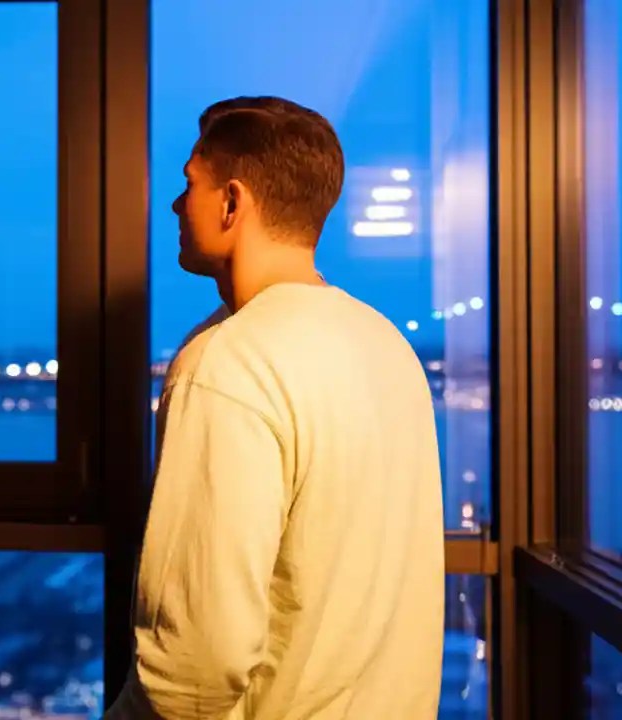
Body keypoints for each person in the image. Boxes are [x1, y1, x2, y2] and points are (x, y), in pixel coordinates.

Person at [104, 96, 444, 719]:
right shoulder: (387, 345)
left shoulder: (229, 364)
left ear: (232, 203)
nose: (177, 205)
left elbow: (195, 667)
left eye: (190, 185)